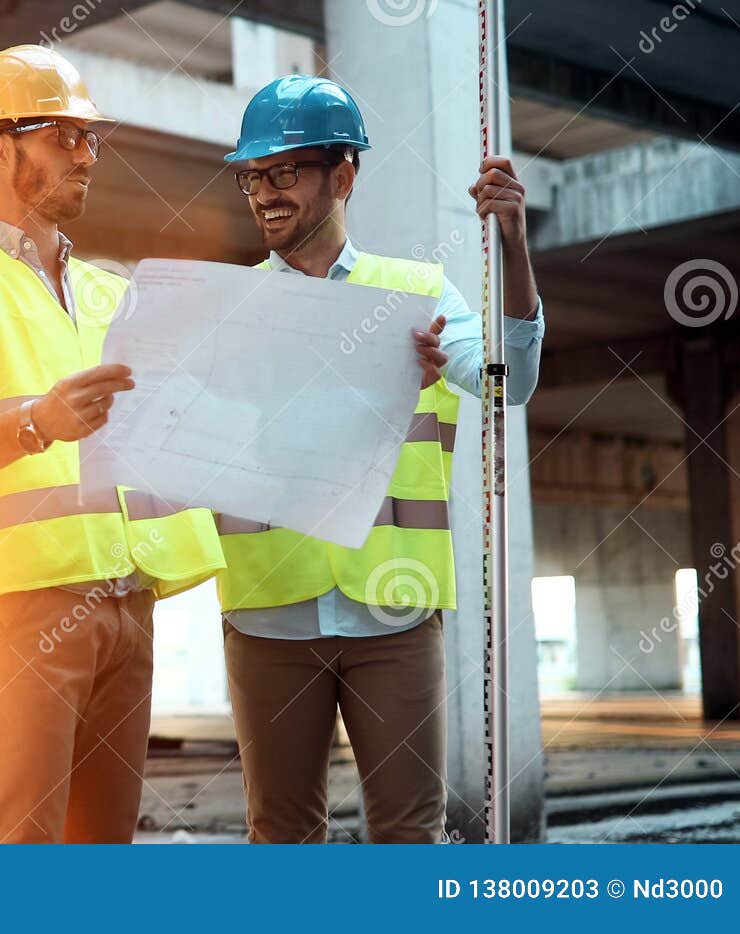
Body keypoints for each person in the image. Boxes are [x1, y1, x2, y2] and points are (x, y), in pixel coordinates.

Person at [0, 45, 226, 843]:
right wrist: (37, 423)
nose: (87, 155)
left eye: (90, 137)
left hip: (126, 603)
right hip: (20, 609)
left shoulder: (113, 293)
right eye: (62, 136)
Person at [216, 75, 546, 843]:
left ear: (344, 176)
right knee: (281, 839)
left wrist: (515, 251)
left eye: (283, 172)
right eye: (252, 177)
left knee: (408, 840)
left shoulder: (417, 294)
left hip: (395, 612)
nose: (264, 194)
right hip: (268, 612)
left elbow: (509, 383)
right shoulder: (225, 312)